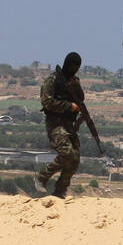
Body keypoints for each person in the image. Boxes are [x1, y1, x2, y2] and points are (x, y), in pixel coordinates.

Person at [36, 52, 84, 198]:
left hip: (69, 124)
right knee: (67, 153)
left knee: (74, 159)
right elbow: (46, 102)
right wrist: (68, 106)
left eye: (77, 67)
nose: (74, 69)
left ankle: (60, 191)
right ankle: (42, 176)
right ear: (67, 64)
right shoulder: (53, 80)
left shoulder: (74, 81)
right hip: (55, 123)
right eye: (72, 66)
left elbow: (80, 99)